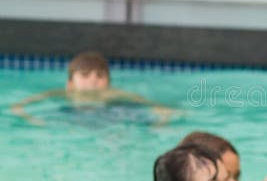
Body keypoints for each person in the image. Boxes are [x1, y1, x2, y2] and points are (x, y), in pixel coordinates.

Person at [11, 51, 173, 125]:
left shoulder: (113, 95)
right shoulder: (62, 94)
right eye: (85, 75)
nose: (93, 80)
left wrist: (160, 121)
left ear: (108, 83)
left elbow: (159, 108)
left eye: (100, 76)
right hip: (72, 117)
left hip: (109, 118)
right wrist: (35, 120)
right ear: (70, 84)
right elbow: (18, 107)